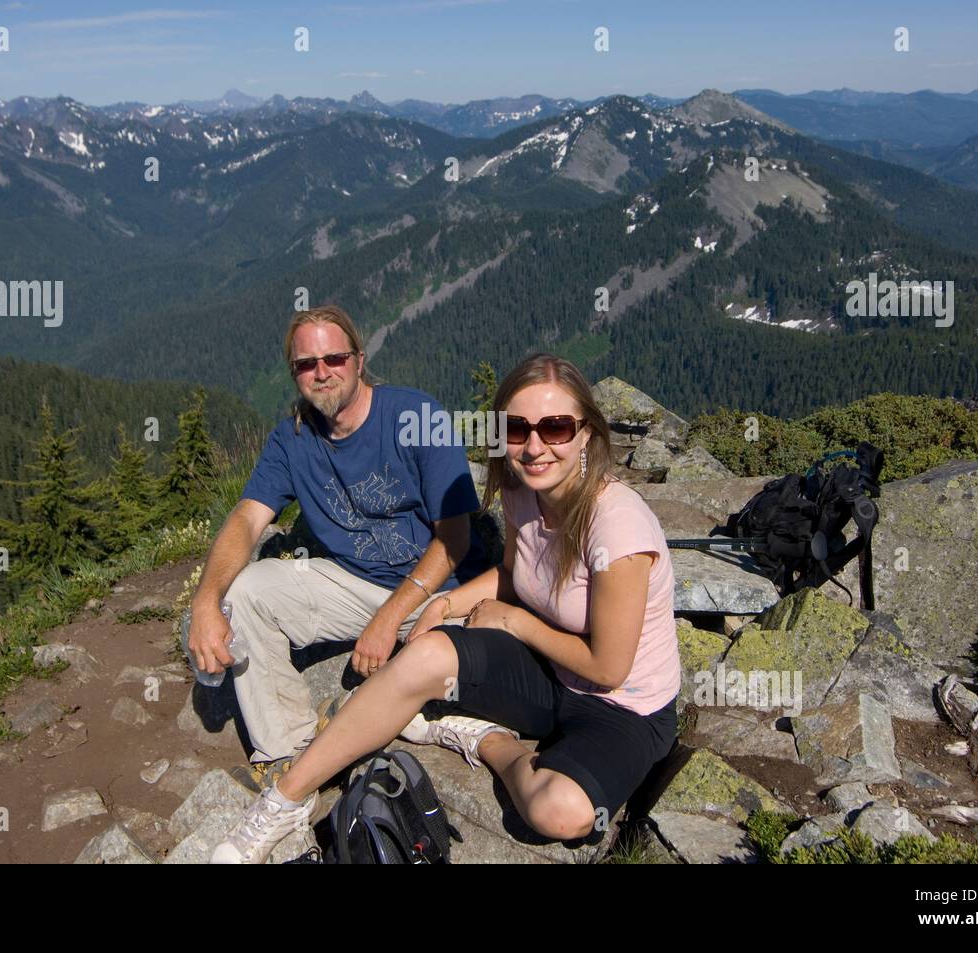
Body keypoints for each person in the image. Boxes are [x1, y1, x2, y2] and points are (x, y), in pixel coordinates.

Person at [211, 353, 680, 863]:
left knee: (559, 812)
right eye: (517, 429)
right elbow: (514, 576)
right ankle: (284, 800)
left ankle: (488, 743)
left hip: (624, 707)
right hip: (551, 677)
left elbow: (609, 667)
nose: (535, 445)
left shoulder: (617, 526)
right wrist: (446, 602)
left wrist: (515, 621)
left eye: (557, 427)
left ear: (587, 433)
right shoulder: (526, 492)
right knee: (427, 655)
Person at [188, 304, 483, 789]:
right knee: (246, 592)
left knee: (451, 672)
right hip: (352, 583)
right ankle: (288, 754)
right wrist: (205, 602)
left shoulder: (417, 416)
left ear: (359, 361)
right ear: (294, 373)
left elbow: (454, 540)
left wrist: (387, 621)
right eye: (306, 364)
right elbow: (246, 518)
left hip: (436, 594)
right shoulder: (291, 440)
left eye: (335, 359)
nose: (322, 373)